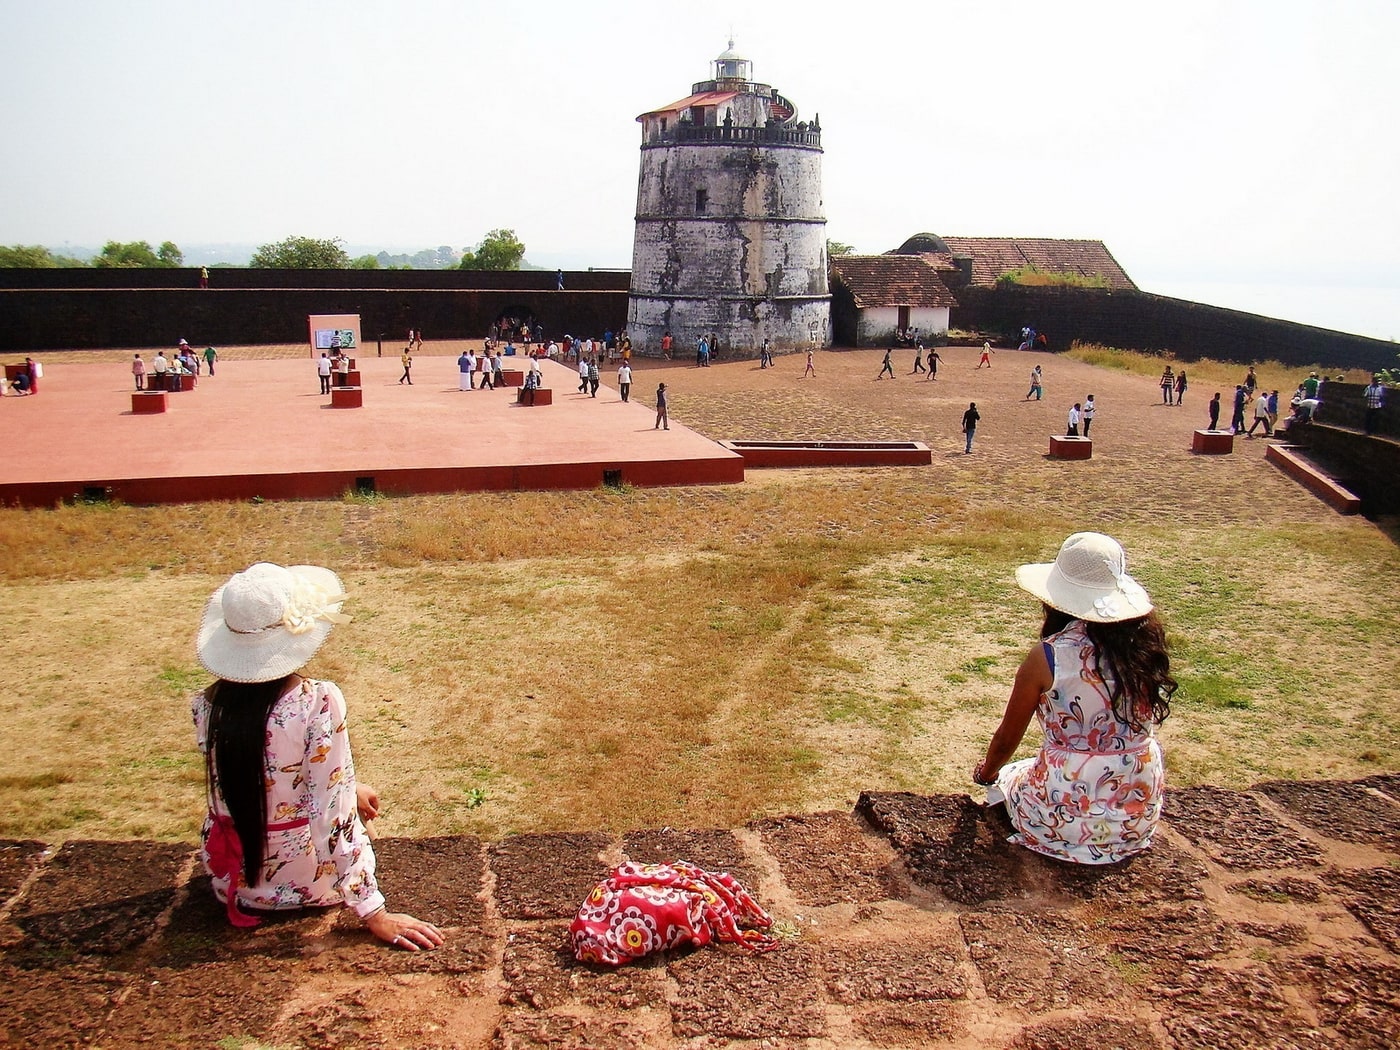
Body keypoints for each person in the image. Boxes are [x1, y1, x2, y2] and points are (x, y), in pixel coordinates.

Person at [192, 562, 445, 949]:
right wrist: (374, 912)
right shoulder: (315, 702)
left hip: (234, 880)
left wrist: (349, 785)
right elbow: (332, 811)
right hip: (307, 883)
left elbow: (258, 775)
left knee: (348, 795)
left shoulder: (208, 706)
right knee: (354, 813)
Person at [971, 533, 1174, 865]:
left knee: (1011, 778)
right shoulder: (1143, 648)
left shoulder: (1050, 657)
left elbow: (1008, 738)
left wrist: (987, 773)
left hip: (1066, 814)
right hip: (1136, 815)